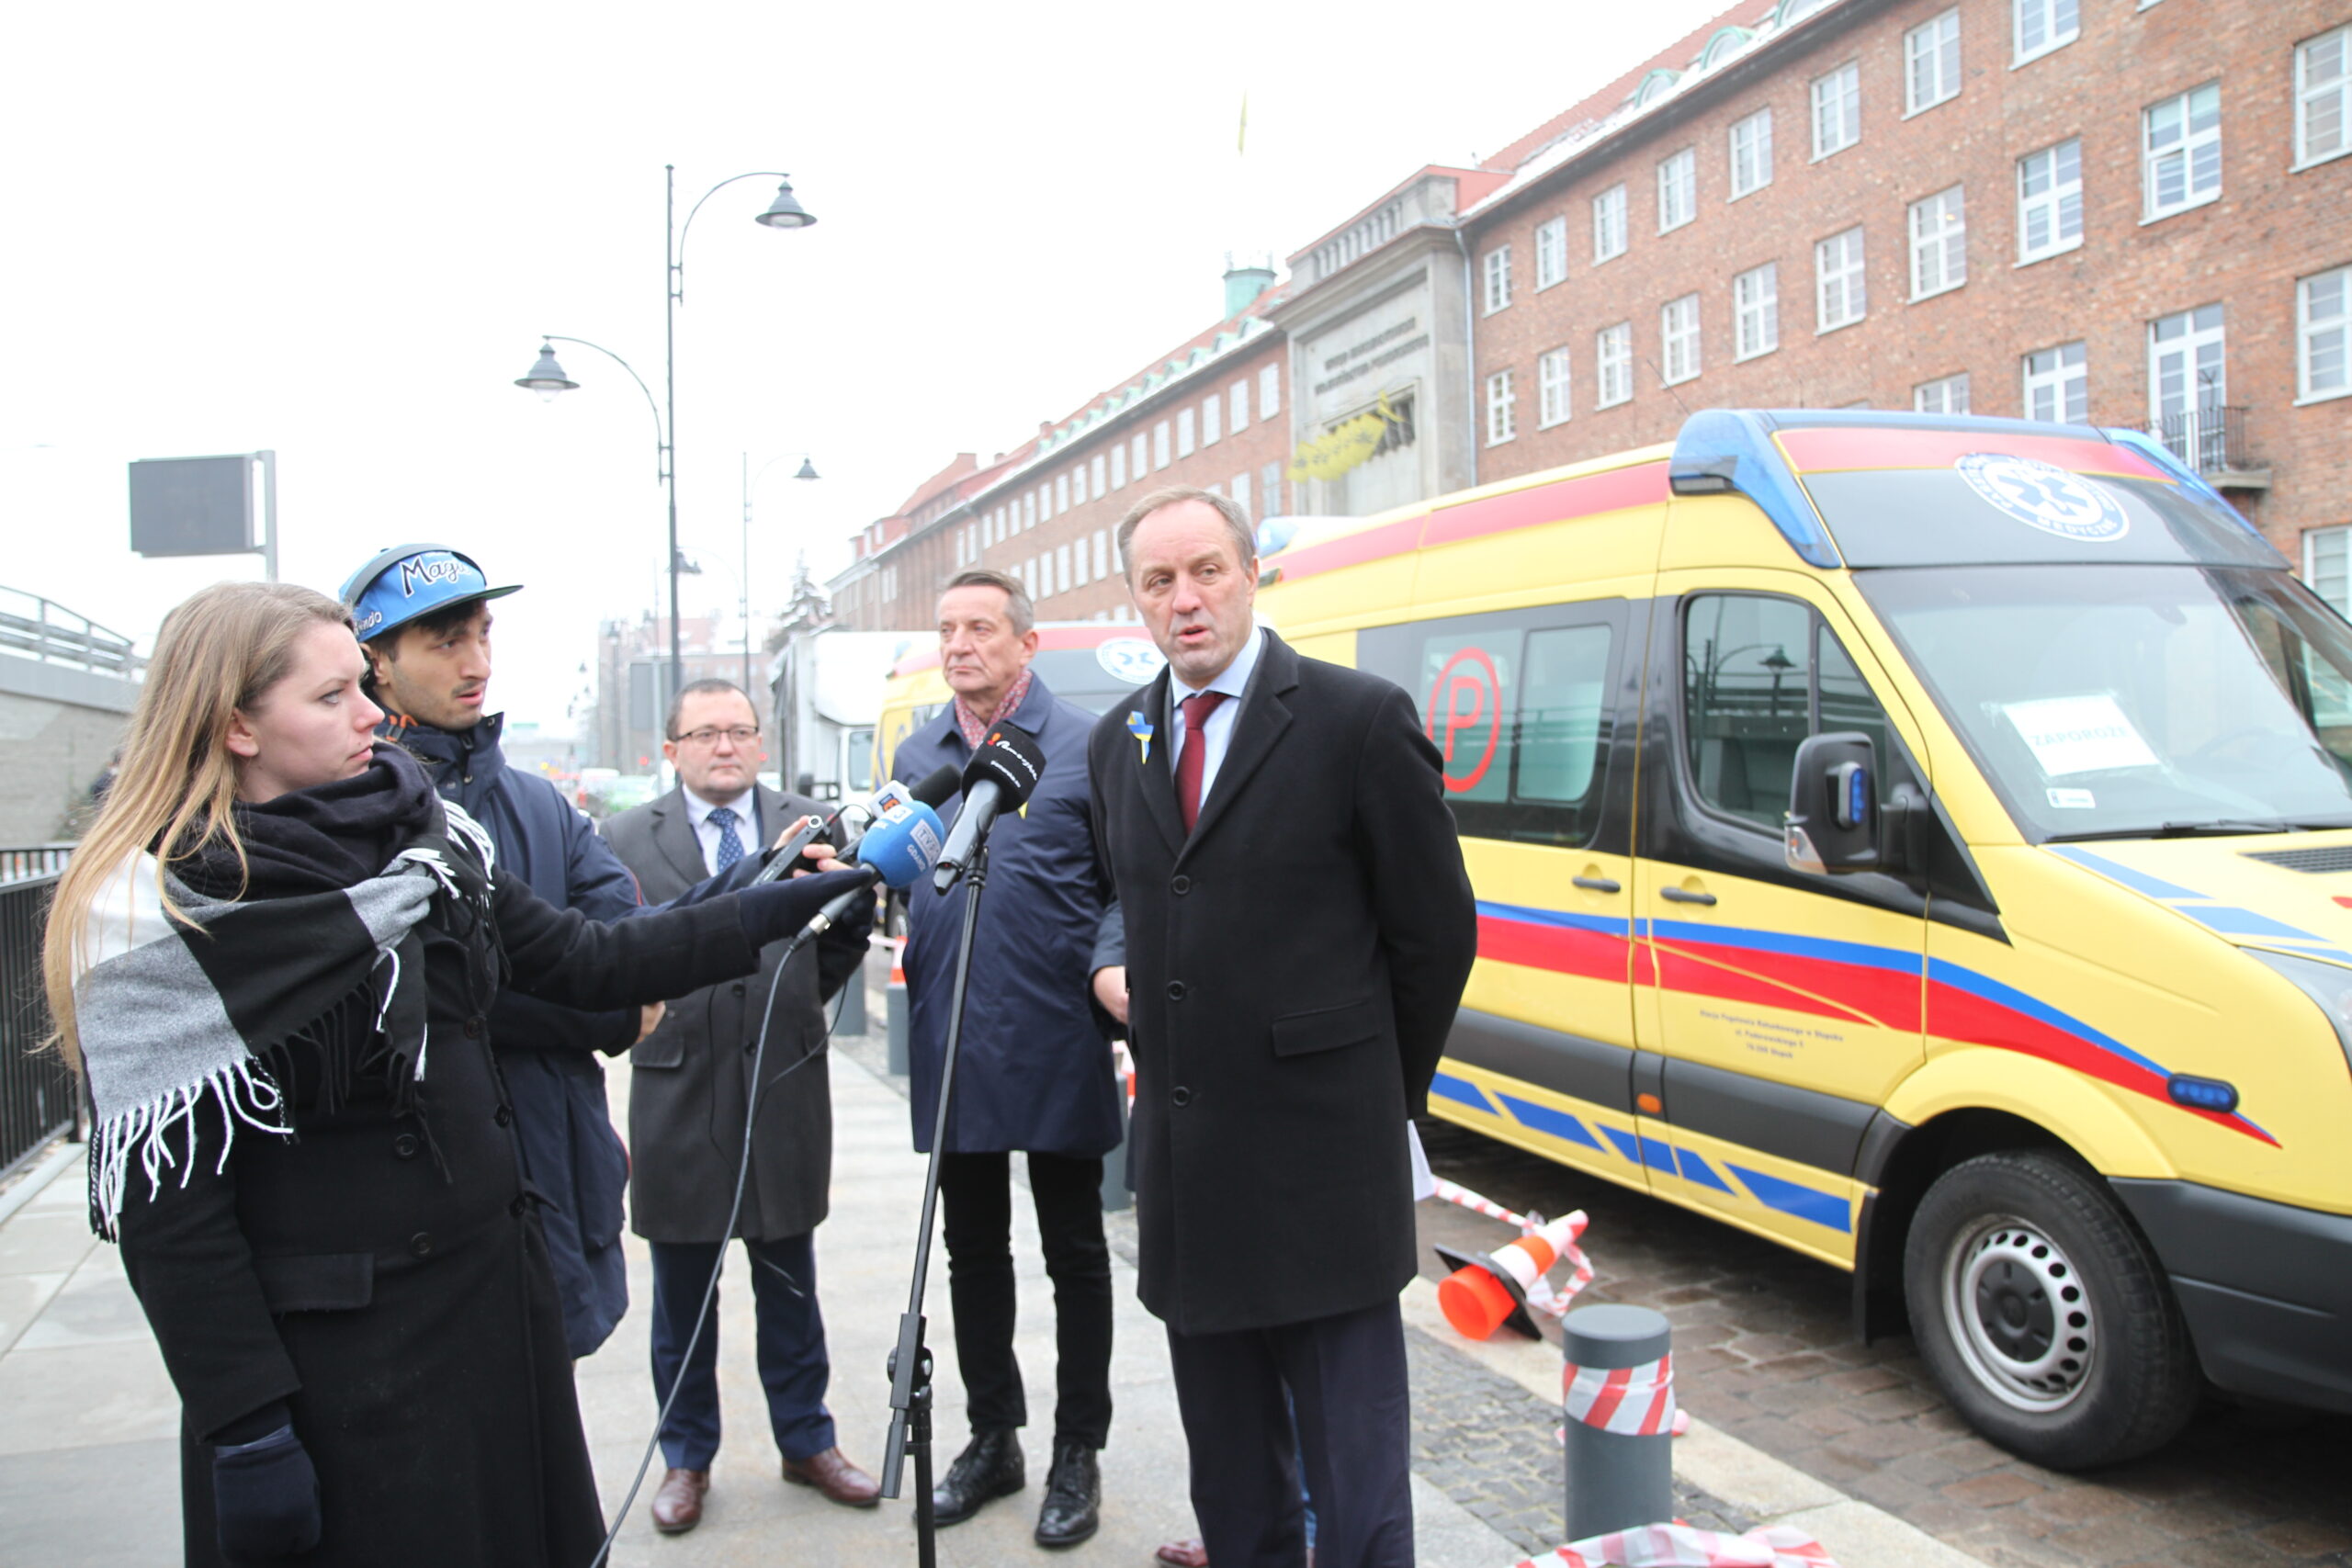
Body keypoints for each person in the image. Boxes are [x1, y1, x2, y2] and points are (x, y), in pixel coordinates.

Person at [40, 581, 865, 1568]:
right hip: (340, 1376)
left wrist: (776, 897)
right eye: (333, 696)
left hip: (490, 1318)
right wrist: (245, 1426)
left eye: (363, 685)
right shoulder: (160, 921)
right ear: (237, 727)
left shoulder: (420, 838)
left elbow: (588, 959)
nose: (372, 715)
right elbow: (173, 1222)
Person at [1086, 488, 1478, 1568]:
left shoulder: (1357, 719)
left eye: (1206, 570)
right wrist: (1105, 973)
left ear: (1252, 573)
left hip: (1322, 1176)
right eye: (1159, 582)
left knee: (1355, 1496)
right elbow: (1131, 899)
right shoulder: (1120, 744)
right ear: (1136, 601)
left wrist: (1369, 1104)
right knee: (1234, 1489)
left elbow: (1433, 939)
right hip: (1189, 1176)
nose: (1186, 600)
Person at [339, 543, 641, 1358]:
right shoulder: (347, 815)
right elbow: (412, 1009)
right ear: (376, 661)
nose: (476, 664)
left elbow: (620, 977)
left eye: (483, 634)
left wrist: (554, 998)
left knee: (552, 1450)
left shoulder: (544, 806)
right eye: (445, 642)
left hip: (557, 1172)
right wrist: (568, 999)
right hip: (421, 1206)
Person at [602, 679, 882, 1531]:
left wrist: (795, 1001)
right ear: (674, 747)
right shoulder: (620, 839)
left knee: (790, 1282)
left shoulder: (810, 827)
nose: (724, 746)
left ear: (761, 743)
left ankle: (808, 1440)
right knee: (684, 1293)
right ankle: (686, 1456)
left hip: (784, 1083)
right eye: (705, 733)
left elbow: (848, 928)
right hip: (678, 1086)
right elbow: (611, 950)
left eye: (739, 731)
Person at [889, 568, 1119, 1548]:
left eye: (980, 627)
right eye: (947, 629)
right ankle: (995, 1436)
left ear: (1027, 643)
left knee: (1075, 1252)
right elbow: (906, 876)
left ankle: (1078, 1447)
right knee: (972, 1250)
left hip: (1058, 1033)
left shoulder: (1086, 748)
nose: (959, 645)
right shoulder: (920, 749)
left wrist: (1110, 972)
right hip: (954, 1036)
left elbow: (1126, 888)